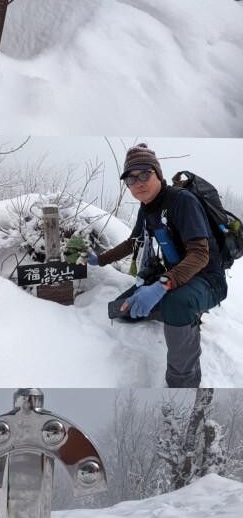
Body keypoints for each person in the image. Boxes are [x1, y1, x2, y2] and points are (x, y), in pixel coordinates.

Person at [88, 143, 228, 388]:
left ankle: (182, 382)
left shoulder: (181, 201)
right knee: (120, 310)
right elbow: (133, 242)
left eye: (144, 174)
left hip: (208, 279)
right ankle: (177, 311)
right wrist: (99, 259)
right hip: (177, 275)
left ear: (158, 174)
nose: (138, 182)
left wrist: (162, 286)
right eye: (130, 178)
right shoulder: (147, 208)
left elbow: (199, 255)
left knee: (177, 303)